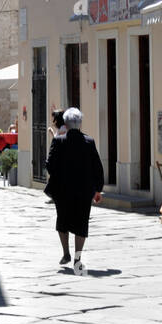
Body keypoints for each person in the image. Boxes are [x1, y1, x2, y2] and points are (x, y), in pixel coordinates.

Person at [44, 107, 104, 274]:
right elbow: (97, 167)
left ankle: (66, 253)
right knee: (81, 223)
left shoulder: (58, 141)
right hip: (84, 190)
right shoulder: (89, 141)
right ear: (80, 124)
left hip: (62, 190)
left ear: (66, 124)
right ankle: (78, 258)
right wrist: (98, 189)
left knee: (62, 220)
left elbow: (49, 165)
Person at [43, 110, 65, 202]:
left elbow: (59, 142)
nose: (53, 121)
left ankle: (56, 195)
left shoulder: (63, 129)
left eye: (54, 118)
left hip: (61, 159)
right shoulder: (61, 129)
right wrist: (52, 133)